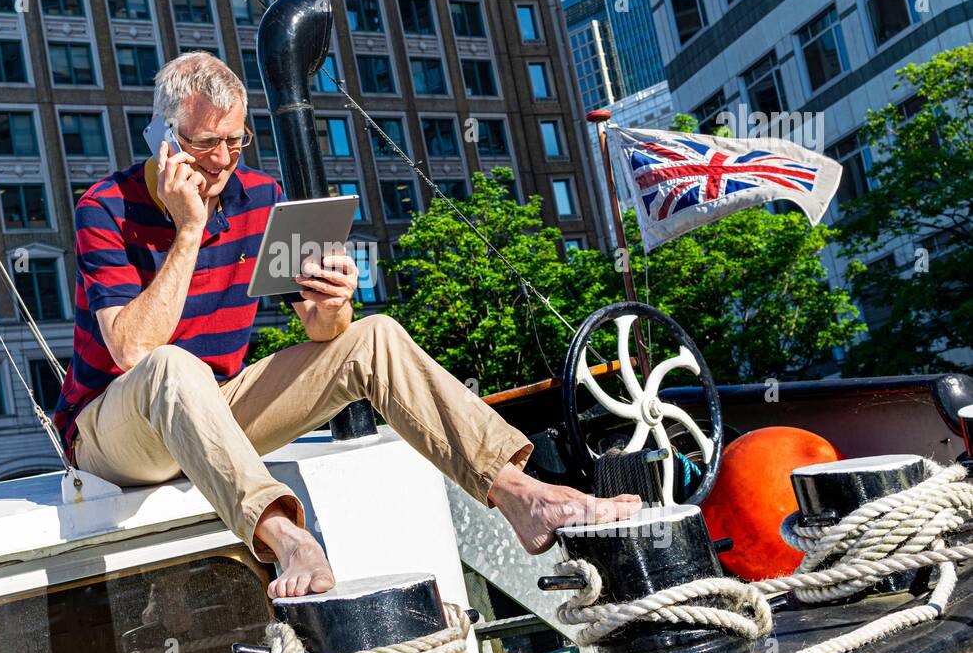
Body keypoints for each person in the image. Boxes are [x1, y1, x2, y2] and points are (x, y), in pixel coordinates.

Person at [54, 52, 641, 598]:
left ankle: (522, 495)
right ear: (162, 136)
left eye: (235, 141)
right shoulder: (104, 206)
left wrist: (335, 302)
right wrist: (188, 229)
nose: (222, 161)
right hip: (114, 431)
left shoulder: (263, 197)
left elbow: (321, 330)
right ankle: (287, 539)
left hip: (211, 411)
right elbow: (133, 349)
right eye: (205, 143)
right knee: (171, 365)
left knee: (375, 334)